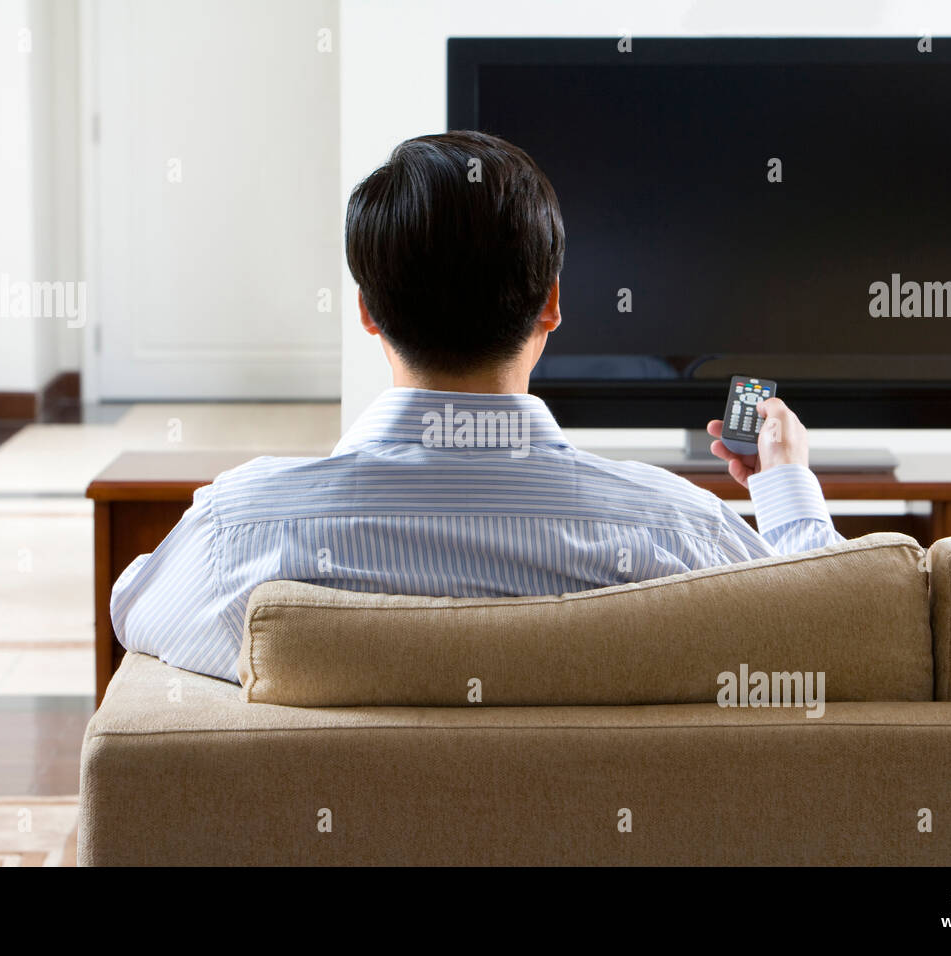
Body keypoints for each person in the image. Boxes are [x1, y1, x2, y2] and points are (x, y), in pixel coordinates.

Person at [112, 131, 842, 682]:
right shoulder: (676, 532)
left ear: (367, 312)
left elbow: (138, 612)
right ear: (552, 305)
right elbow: (830, 635)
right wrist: (786, 491)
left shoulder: (242, 532)